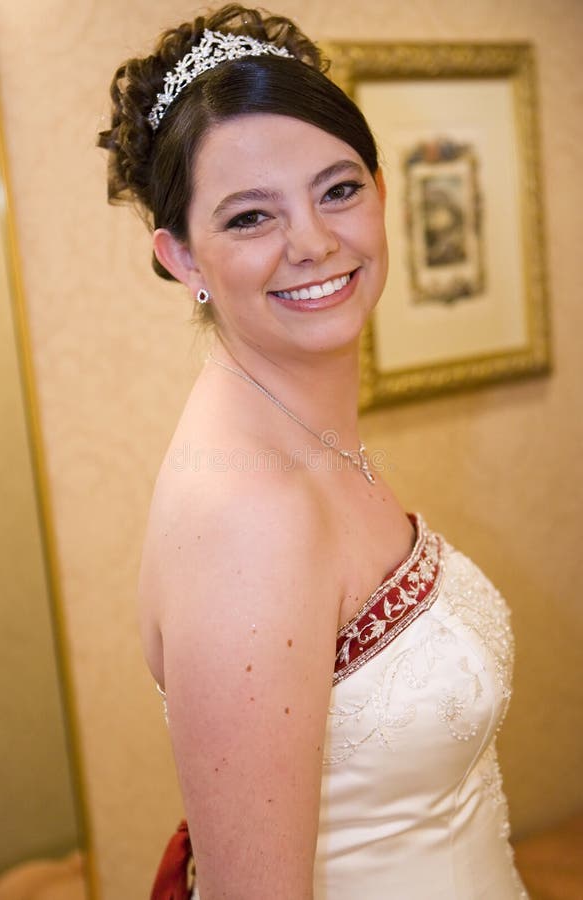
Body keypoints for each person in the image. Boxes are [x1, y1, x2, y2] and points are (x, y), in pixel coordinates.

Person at [98, 5, 528, 898]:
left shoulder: (305, 434)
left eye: (337, 190)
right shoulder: (247, 515)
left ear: (382, 190)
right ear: (183, 258)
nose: (316, 242)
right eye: (252, 217)